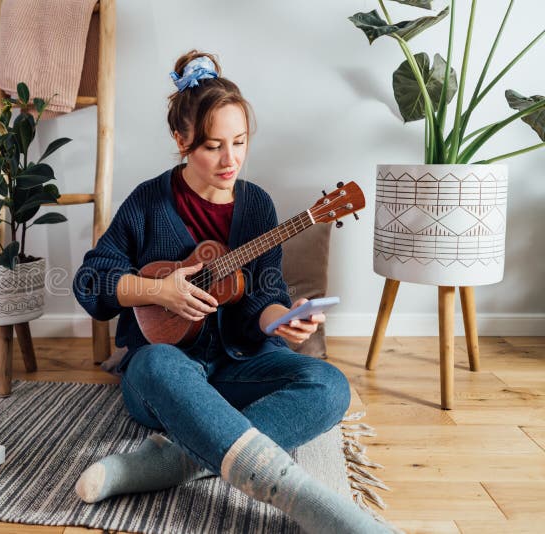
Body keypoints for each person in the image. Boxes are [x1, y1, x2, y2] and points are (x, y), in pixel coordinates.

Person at [72, 50, 387, 534]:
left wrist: (286, 318)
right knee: (153, 362)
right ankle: (311, 503)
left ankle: (174, 462)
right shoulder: (149, 202)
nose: (230, 159)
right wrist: (158, 291)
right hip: (169, 374)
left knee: (330, 386)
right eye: (213, 146)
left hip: (239, 363)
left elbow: (265, 296)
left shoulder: (257, 205)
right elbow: (91, 283)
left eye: (239, 142)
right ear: (181, 141)